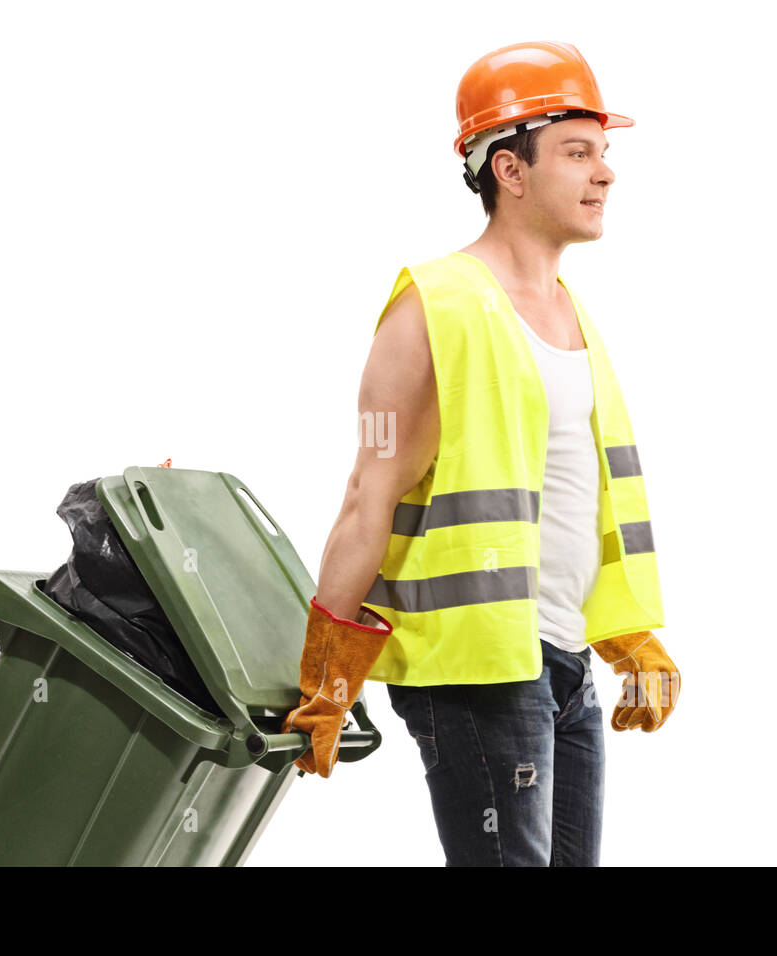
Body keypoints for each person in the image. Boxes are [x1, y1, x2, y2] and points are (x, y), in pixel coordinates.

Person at [282, 40, 681, 866]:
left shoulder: (570, 313)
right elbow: (370, 489)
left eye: (605, 154)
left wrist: (627, 639)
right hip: (477, 672)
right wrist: (328, 677)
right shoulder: (435, 307)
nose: (605, 174)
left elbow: (575, 499)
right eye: (578, 153)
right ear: (509, 169)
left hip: (561, 664)